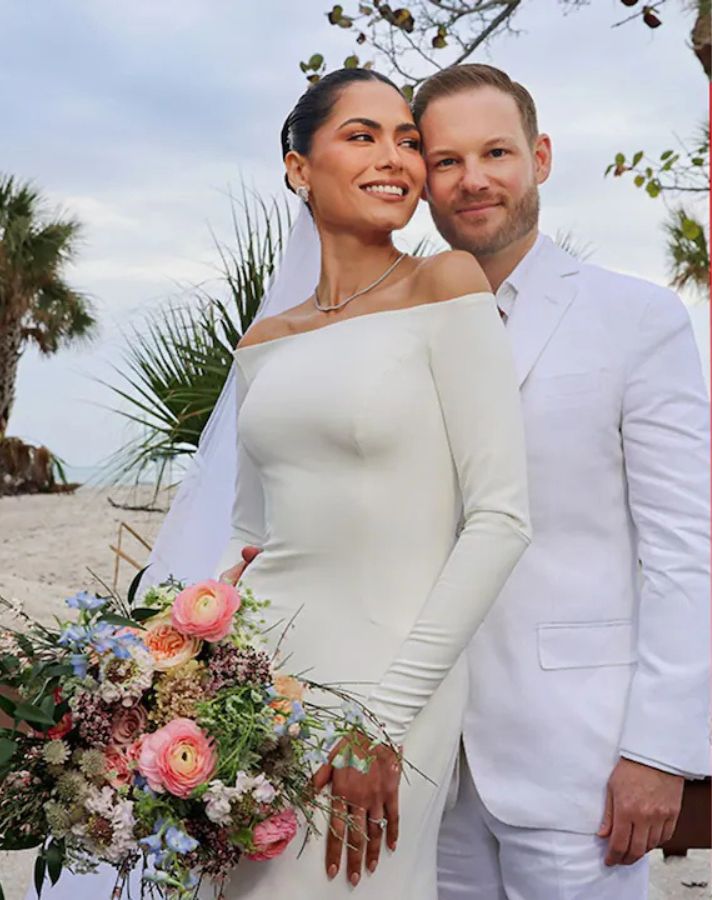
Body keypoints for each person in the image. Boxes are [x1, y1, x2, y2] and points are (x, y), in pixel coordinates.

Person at [201, 66, 530, 899]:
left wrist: (378, 725)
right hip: (259, 690)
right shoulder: (264, 341)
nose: (396, 157)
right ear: (298, 167)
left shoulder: (446, 284)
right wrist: (188, 676)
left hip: (388, 692)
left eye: (408, 140)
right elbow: (253, 535)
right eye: (363, 135)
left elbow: (500, 521)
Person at [401, 64, 711, 900]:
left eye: (496, 152)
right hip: (428, 769)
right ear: (421, 176)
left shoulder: (635, 319)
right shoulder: (396, 329)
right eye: (447, 159)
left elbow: (688, 549)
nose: (474, 180)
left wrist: (661, 749)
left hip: (584, 767)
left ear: (538, 156)